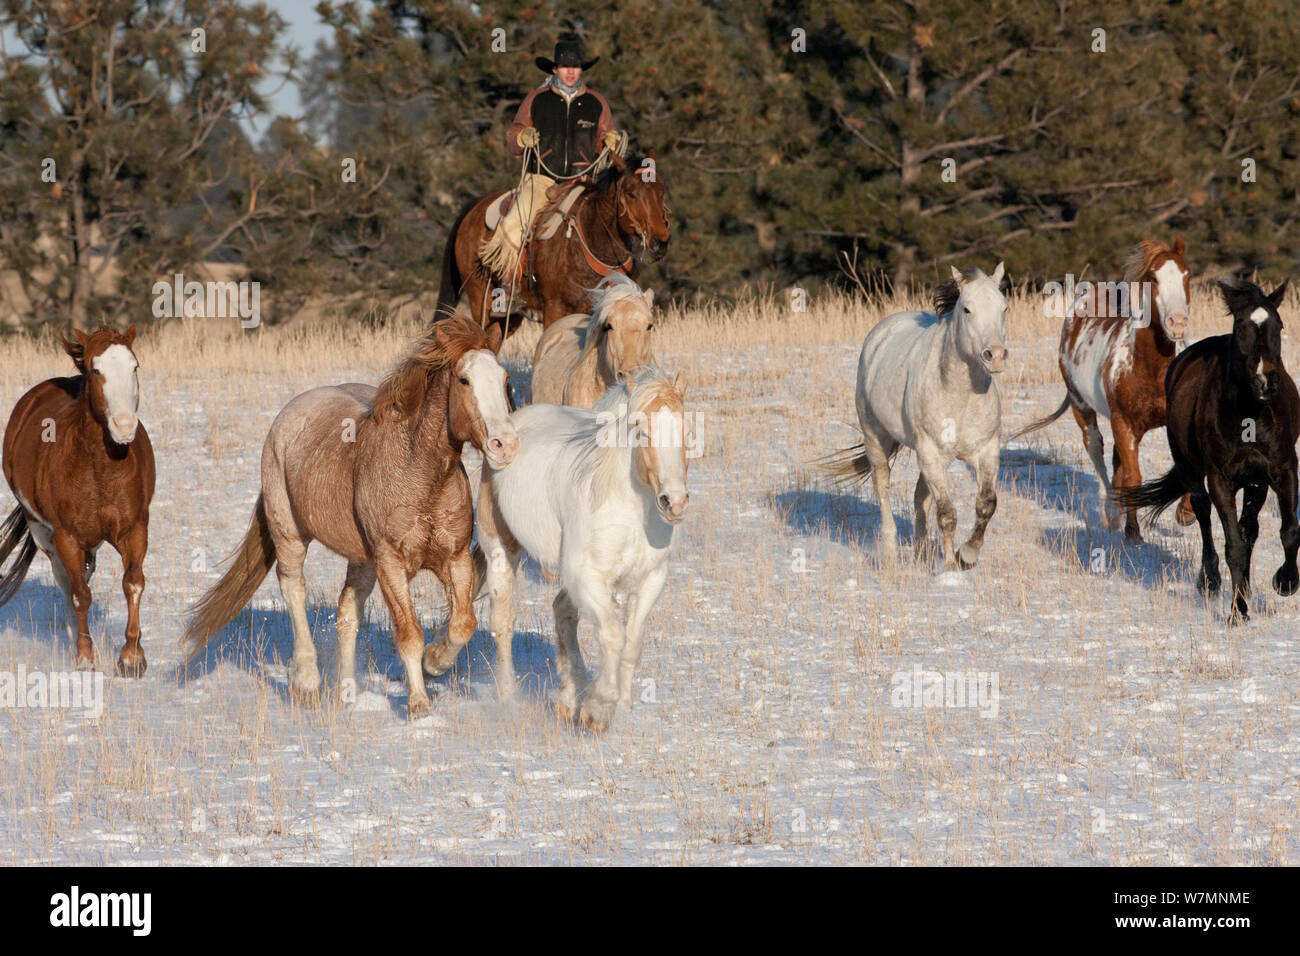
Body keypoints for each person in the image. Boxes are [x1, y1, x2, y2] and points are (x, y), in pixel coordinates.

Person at [479, 33, 625, 280]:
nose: (571, 72)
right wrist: (522, 138)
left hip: (584, 184)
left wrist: (612, 143)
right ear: (555, 69)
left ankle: (616, 285)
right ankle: (505, 287)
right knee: (514, 225)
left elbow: (605, 145)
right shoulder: (537, 99)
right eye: (565, 66)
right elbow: (512, 137)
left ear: (581, 70)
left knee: (617, 224)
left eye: (575, 66)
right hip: (541, 180)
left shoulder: (596, 102)